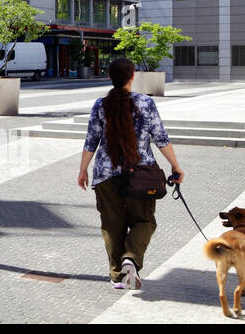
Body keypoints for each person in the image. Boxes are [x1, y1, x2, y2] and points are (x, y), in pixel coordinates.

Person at [78, 56, 185, 289]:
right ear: (132, 77)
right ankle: (131, 258)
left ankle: (117, 276)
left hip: (105, 176)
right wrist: (175, 166)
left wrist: (83, 170)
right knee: (144, 221)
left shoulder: (99, 105)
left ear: (109, 77)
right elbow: (160, 138)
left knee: (112, 225)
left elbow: (91, 141)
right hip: (140, 175)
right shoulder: (145, 103)